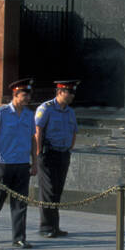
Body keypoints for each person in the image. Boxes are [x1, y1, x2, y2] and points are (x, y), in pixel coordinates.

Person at [0, 78, 38, 248]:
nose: (27, 98)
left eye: (29, 95)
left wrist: (34, 162)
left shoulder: (29, 115)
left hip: (22, 164)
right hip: (2, 164)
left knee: (20, 203)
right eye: (24, 95)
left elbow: (32, 139)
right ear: (15, 95)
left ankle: (19, 238)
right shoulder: (1, 113)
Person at [34, 79, 80, 238]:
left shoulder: (70, 111)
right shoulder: (46, 108)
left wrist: (69, 149)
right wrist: (39, 153)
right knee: (48, 191)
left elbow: (74, 131)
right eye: (70, 92)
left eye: (73, 92)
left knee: (57, 191)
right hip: (48, 153)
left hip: (63, 154)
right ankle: (45, 227)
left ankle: (55, 226)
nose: (72, 95)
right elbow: (37, 131)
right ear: (60, 92)